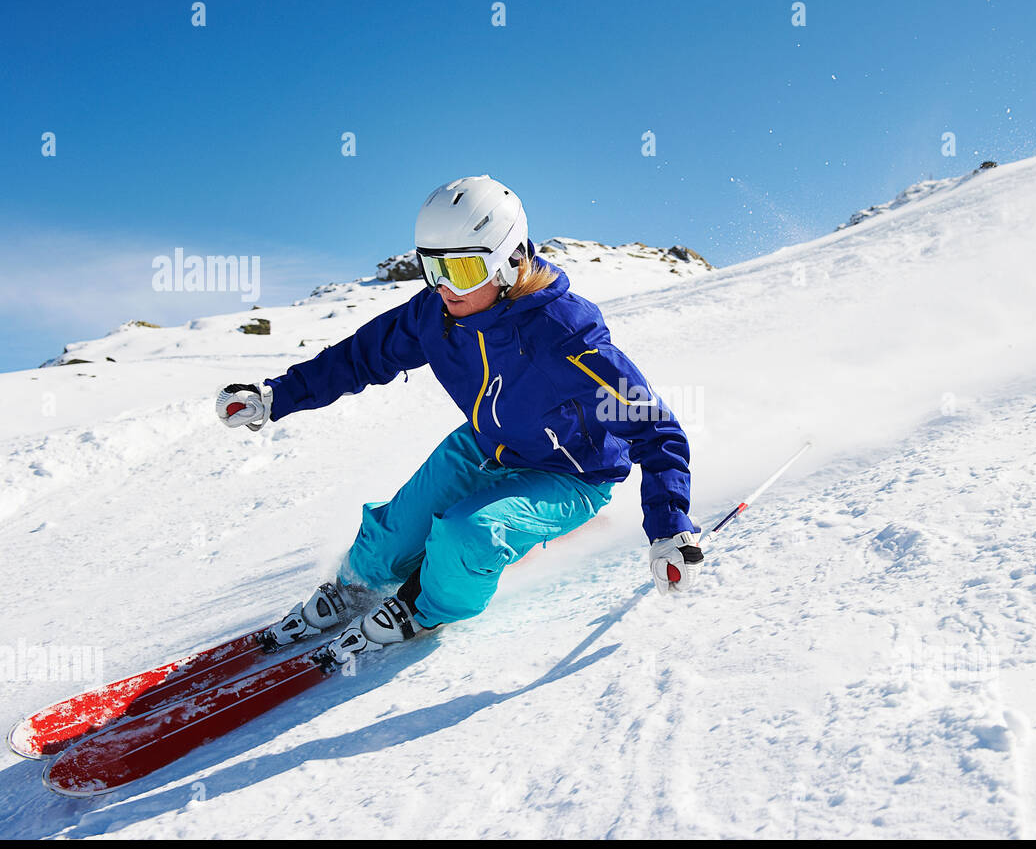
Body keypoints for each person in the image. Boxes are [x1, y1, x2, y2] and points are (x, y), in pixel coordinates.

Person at [216, 175, 704, 661]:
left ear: (510, 262)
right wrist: (275, 397)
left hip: (571, 474)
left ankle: (425, 609)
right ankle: (354, 590)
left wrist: (667, 526)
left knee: (465, 536)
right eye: (433, 268)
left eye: (465, 270)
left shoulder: (563, 332)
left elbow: (652, 427)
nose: (447, 288)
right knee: (391, 539)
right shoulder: (438, 314)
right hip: (484, 446)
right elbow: (361, 356)